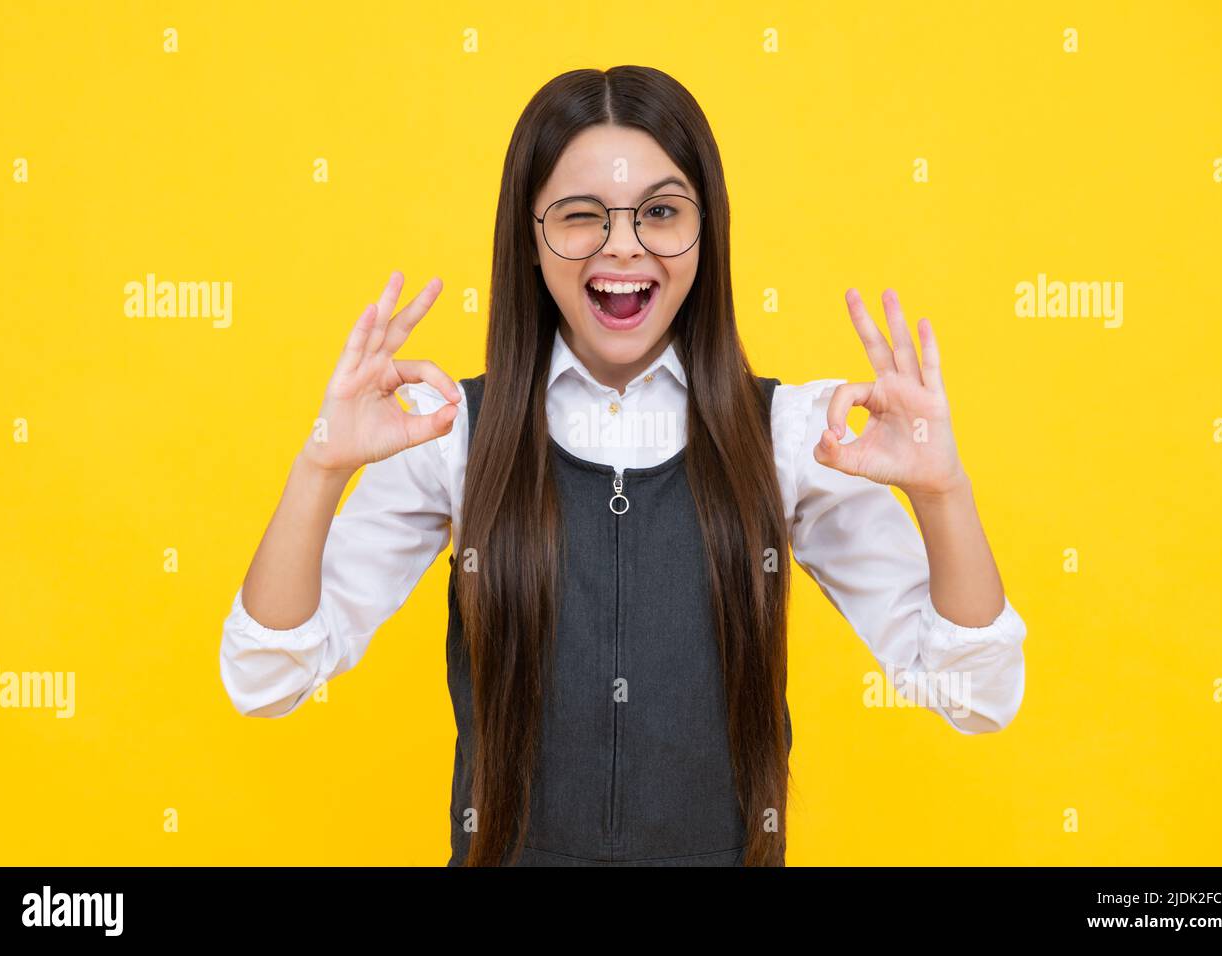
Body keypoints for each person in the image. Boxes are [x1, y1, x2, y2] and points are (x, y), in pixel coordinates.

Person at [219, 65, 1027, 867]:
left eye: (662, 213)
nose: (623, 246)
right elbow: (266, 681)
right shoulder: (452, 433)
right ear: (529, 242)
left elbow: (973, 696)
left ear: (706, 235)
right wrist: (321, 465)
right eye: (580, 217)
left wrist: (941, 493)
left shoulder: (790, 435)